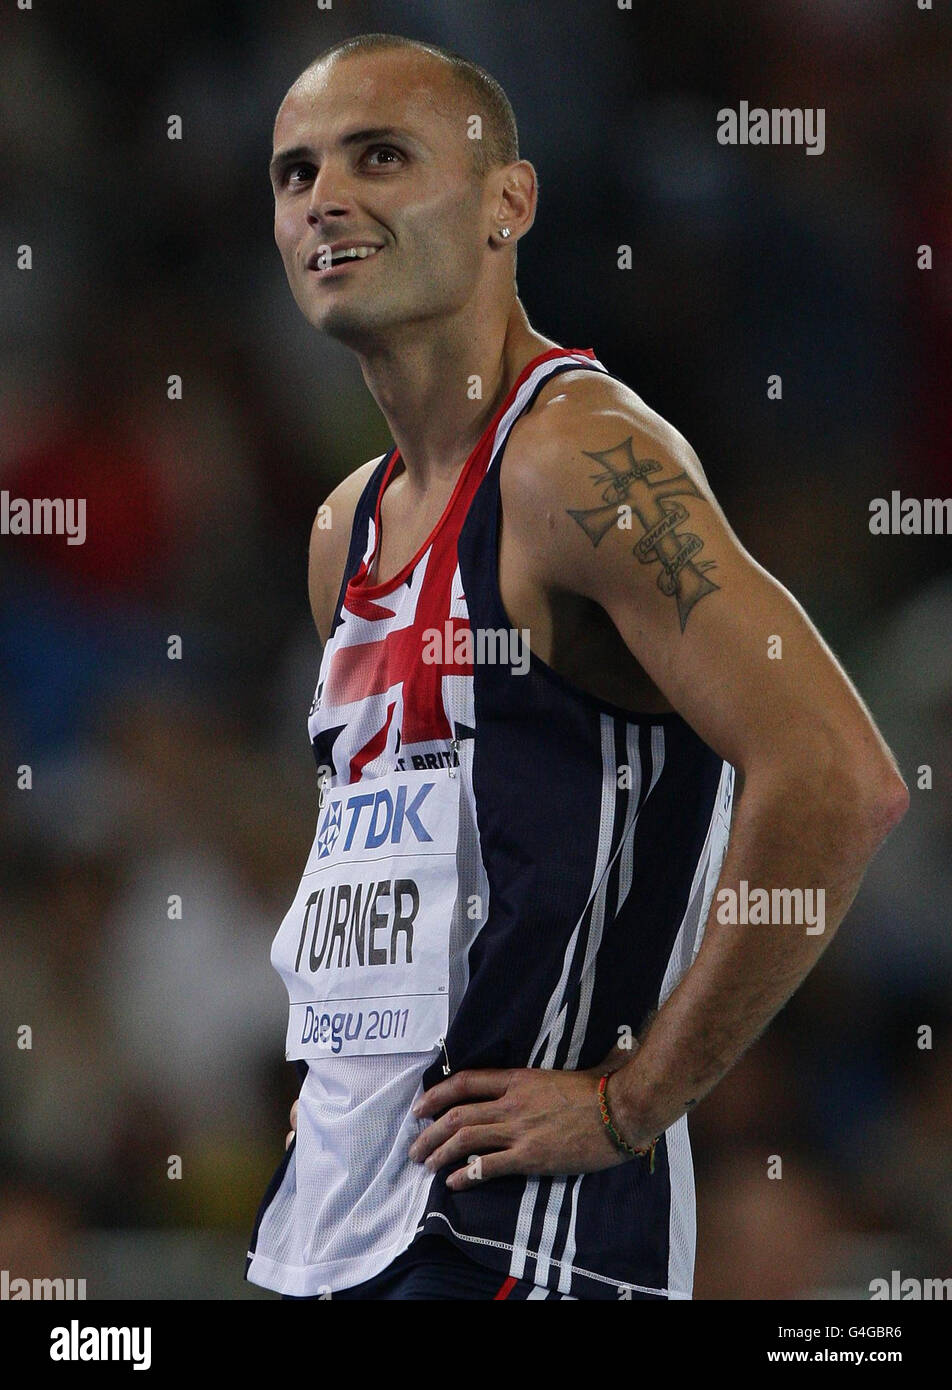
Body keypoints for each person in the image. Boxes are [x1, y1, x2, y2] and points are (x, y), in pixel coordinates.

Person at [245, 32, 908, 1301]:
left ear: (510, 202)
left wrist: (629, 1104)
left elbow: (836, 775)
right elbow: (391, 848)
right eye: (294, 172)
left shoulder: (576, 466)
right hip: (330, 1218)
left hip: (518, 1236)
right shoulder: (346, 525)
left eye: (380, 156)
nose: (325, 197)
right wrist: (339, 1085)